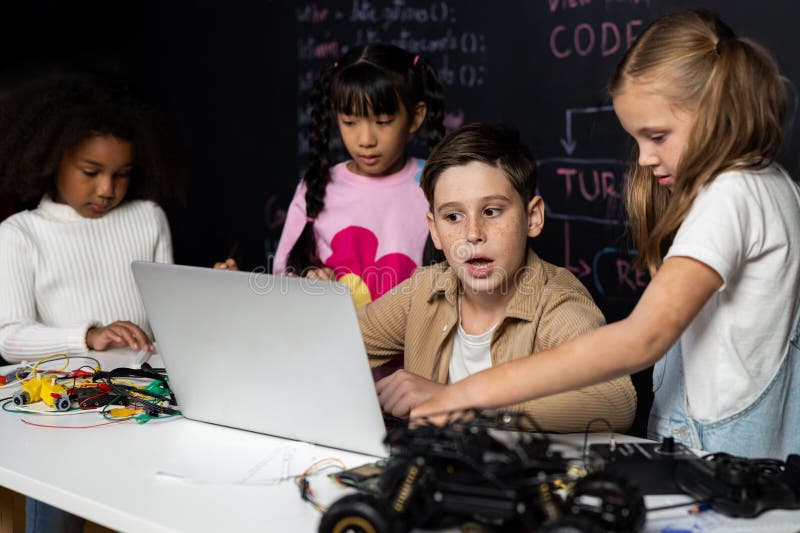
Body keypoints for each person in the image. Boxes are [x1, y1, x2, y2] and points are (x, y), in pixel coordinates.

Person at [413, 10, 800, 458]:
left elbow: (642, 338)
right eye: (638, 140)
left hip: (722, 454)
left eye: (658, 136)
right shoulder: (774, 185)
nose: (645, 158)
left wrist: (469, 393)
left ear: (717, 111)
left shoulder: (731, 195)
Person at [358, 122, 637, 432]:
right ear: (434, 230)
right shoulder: (424, 289)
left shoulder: (557, 304)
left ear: (533, 217)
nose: (473, 234)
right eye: (453, 217)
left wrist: (459, 401)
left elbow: (615, 401)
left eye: (491, 211)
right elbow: (336, 346)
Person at [0, 74, 182, 531]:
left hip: (145, 406)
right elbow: (9, 338)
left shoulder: (149, 218)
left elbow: (169, 323)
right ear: (54, 159)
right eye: (91, 172)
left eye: (121, 174)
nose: (107, 189)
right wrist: (88, 336)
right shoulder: (20, 234)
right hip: (63, 418)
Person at [217, 43, 444, 307]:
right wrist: (310, 284)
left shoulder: (437, 185)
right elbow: (283, 281)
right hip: (331, 333)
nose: (366, 140)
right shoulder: (318, 187)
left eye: (382, 122)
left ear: (415, 117)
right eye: (350, 122)